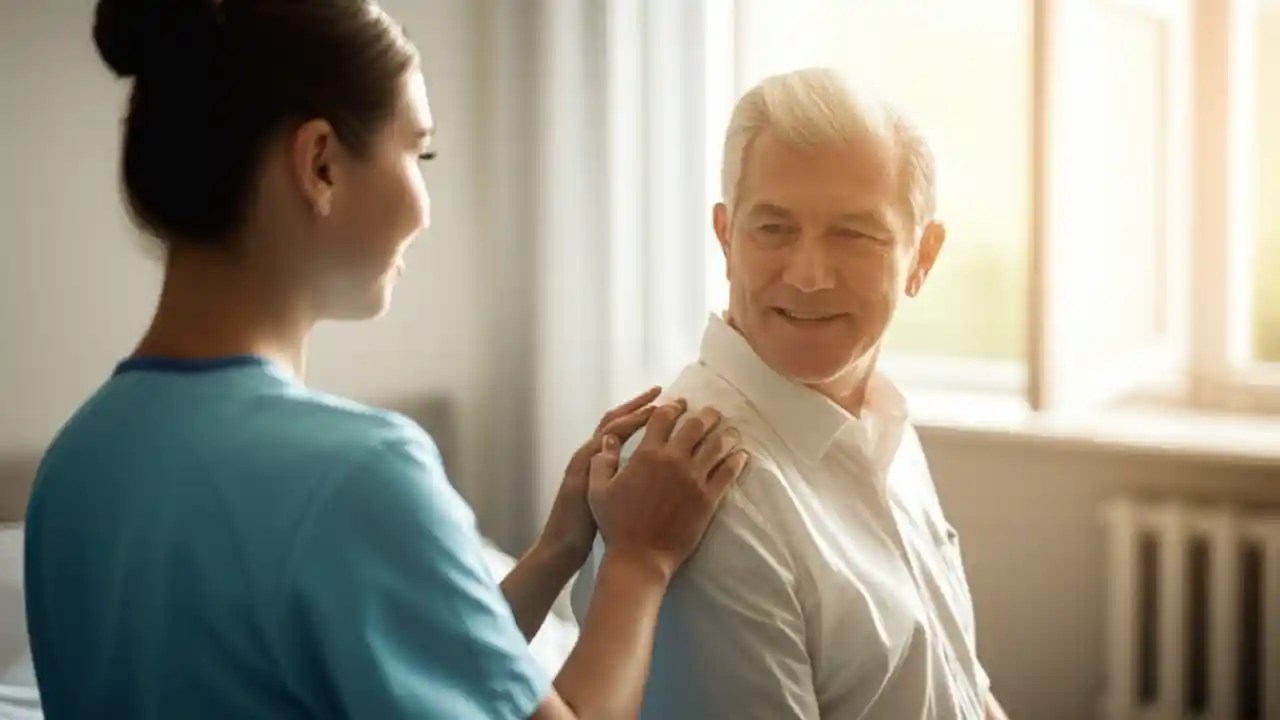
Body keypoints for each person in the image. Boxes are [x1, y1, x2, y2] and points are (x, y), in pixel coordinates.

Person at [22, 2, 749, 718]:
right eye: (418, 151)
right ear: (321, 164)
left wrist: (561, 546)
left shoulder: (77, 462)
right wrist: (641, 558)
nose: (425, 206)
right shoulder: (354, 475)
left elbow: (405, 660)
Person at [592, 68, 1010, 719]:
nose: (809, 275)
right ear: (725, 238)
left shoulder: (881, 420)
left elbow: (962, 682)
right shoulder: (700, 489)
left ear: (922, 257)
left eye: (853, 234)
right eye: (774, 229)